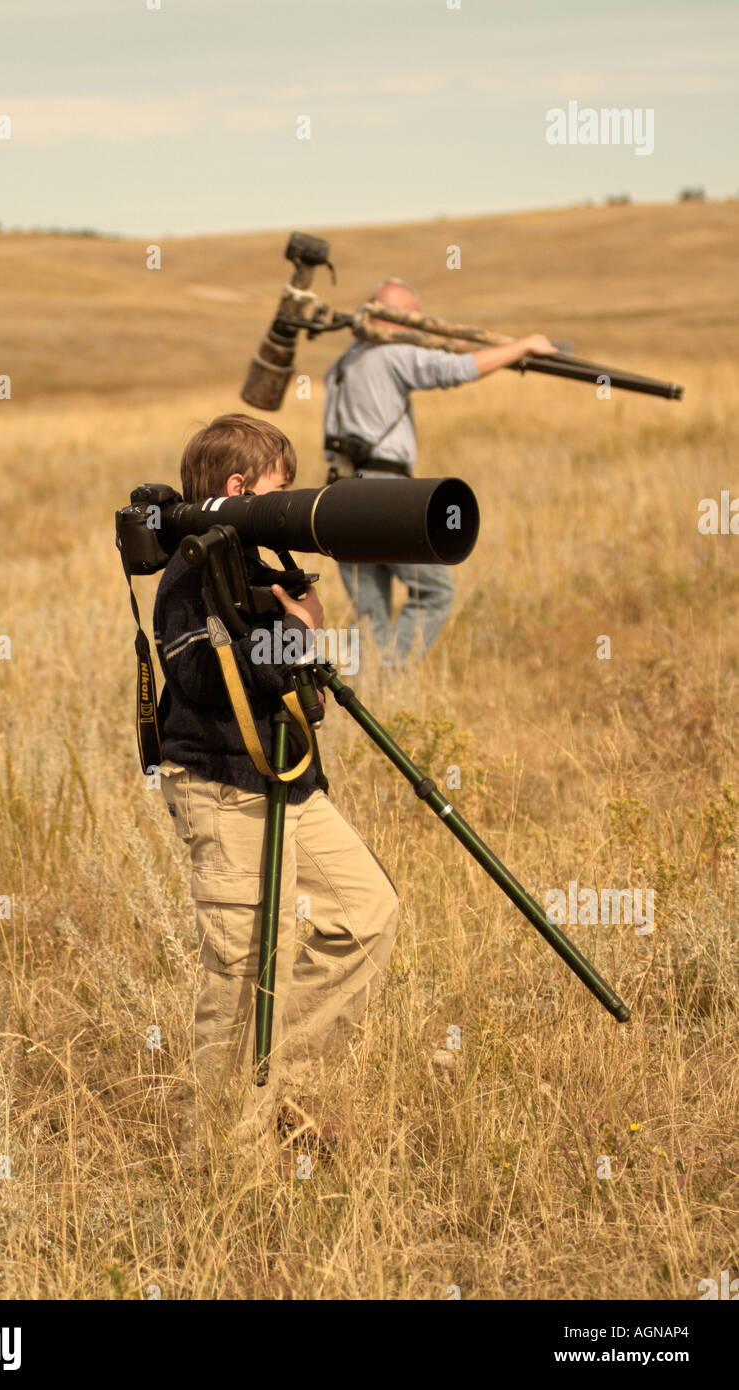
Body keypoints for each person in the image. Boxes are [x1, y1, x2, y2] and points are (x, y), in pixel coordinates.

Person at [153, 413, 399, 1151]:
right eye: (279, 488)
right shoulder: (190, 571)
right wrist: (295, 632)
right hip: (223, 788)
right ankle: (223, 1158)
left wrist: (292, 619)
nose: (287, 501)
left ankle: (274, 1074)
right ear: (239, 489)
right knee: (242, 972)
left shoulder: (255, 562)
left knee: (366, 912)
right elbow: (197, 675)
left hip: (287, 780)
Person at [324, 279, 556, 667]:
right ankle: (392, 678)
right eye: (412, 321)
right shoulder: (392, 353)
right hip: (383, 493)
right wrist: (523, 346)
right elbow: (456, 370)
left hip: (339, 496)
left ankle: (371, 697)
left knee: (369, 612)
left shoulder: (343, 363)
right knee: (435, 593)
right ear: (393, 320)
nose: (417, 331)